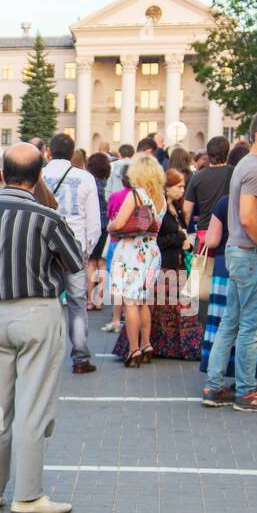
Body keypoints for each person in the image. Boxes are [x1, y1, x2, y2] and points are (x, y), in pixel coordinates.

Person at [0, 142, 84, 513]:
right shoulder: (45, 217)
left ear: (2, 173)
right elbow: (74, 262)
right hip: (36, 312)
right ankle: (28, 495)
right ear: (38, 176)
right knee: (33, 405)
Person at [201, 111, 257, 412]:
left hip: (242, 254)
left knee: (231, 323)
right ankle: (247, 392)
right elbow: (248, 217)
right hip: (251, 255)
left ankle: (214, 386)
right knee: (251, 327)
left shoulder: (248, 165)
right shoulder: (255, 168)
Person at [42, 133, 100, 374]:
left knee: (48, 301)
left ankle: (48, 358)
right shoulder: (85, 178)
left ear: (49, 152)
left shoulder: (40, 175)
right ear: (73, 153)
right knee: (77, 302)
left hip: (45, 244)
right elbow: (95, 222)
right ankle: (80, 357)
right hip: (75, 245)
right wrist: (87, 248)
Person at [108, 156, 167, 367]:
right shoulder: (161, 197)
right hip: (152, 251)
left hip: (133, 251)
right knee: (143, 301)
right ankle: (147, 344)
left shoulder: (136, 195)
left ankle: (134, 350)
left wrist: (110, 225)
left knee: (130, 302)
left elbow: (119, 223)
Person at [85, 151, 111, 309]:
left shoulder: (88, 184)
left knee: (90, 264)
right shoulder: (108, 186)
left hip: (92, 225)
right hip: (106, 226)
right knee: (102, 263)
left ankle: (89, 301)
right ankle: (99, 300)